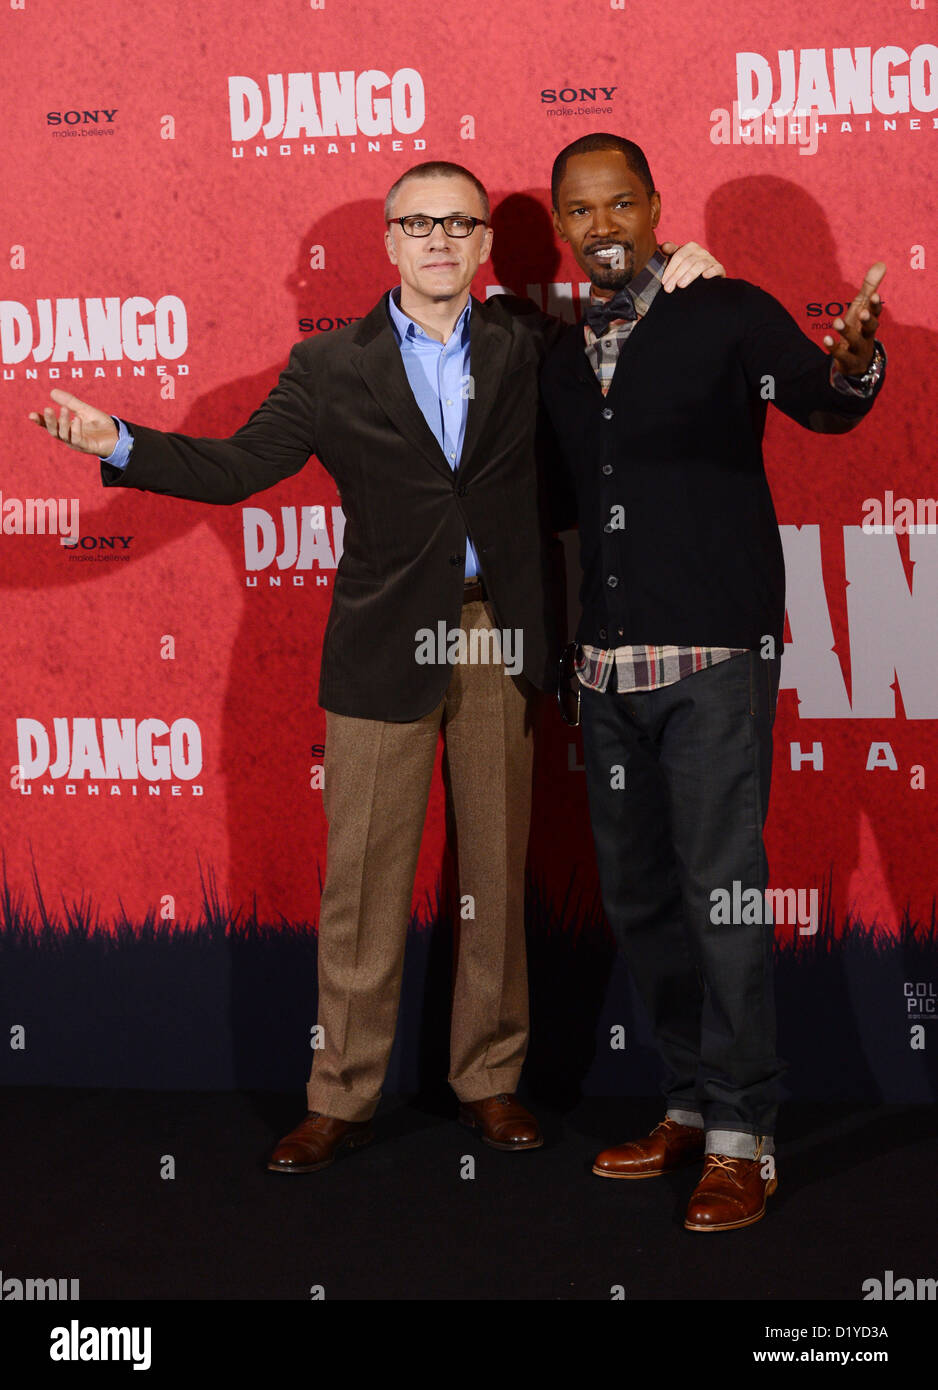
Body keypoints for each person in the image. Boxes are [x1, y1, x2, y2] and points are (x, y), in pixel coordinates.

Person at [29, 159, 720, 1173]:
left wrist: (678, 285)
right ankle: (339, 1093)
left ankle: (488, 1079)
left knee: (494, 872)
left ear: (485, 243)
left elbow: (629, 401)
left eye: (459, 222)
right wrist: (121, 442)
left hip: (499, 641)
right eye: (417, 222)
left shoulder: (533, 345)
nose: (439, 239)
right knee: (359, 884)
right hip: (379, 649)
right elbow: (235, 468)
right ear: (389, 242)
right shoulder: (329, 368)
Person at [540, 133, 885, 1230]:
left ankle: (744, 1136)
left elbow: (823, 404)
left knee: (721, 896)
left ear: (653, 206)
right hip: (604, 672)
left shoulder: (723, 310)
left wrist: (852, 361)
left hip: (712, 664)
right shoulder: (555, 353)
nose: (602, 226)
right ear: (562, 224)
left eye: (619, 204)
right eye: (579, 211)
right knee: (641, 901)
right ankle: (686, 1104)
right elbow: (556, 509)